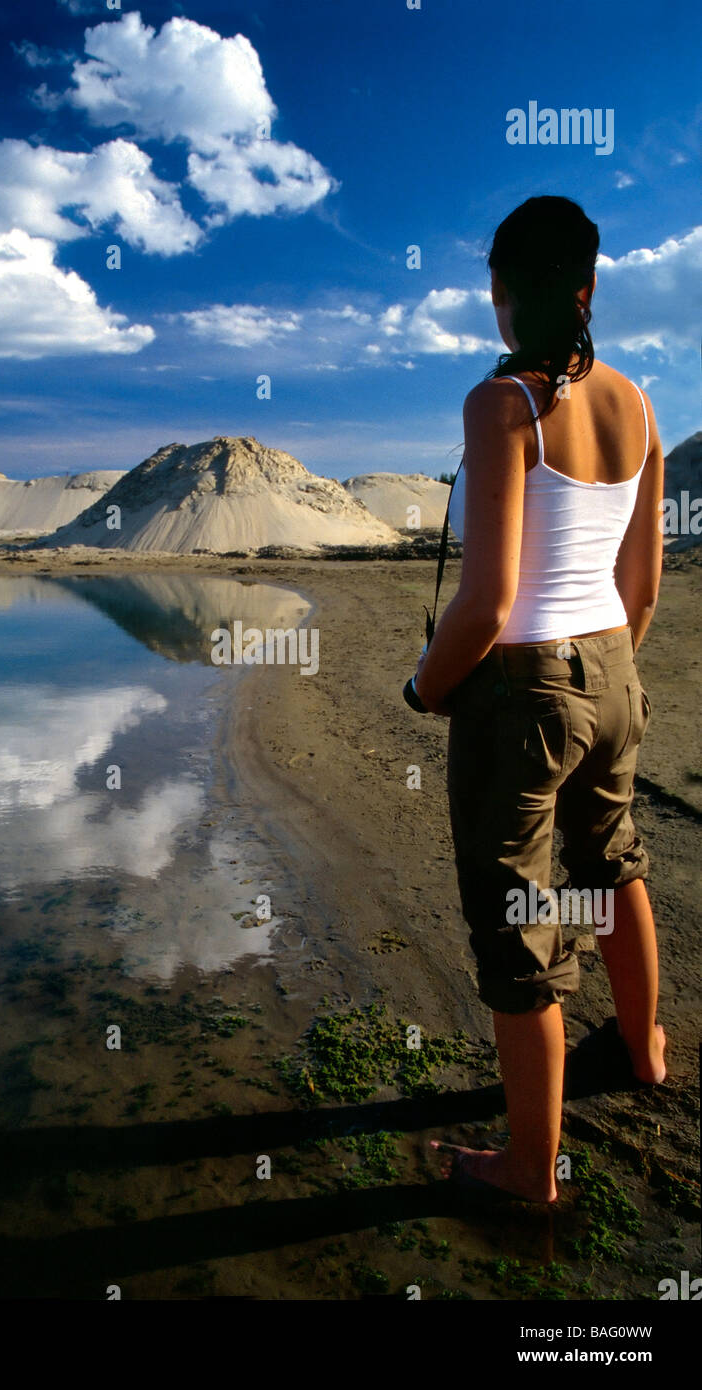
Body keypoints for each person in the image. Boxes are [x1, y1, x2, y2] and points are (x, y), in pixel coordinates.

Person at [410, 196, 667, 1204]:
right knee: (612, 858)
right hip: (613, 664)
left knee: (519, 921)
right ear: (588, 288)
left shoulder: (501, 404)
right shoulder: (639, 405)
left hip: (521, 692)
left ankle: (528, 1169)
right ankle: (643, 1050)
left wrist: (425, 686)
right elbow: (640, 586)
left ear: (502, 296)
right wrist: (604, 677)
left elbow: (486, 601)